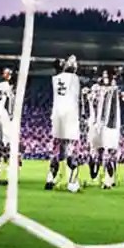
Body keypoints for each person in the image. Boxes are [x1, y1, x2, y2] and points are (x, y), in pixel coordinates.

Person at [84, 67, 122, 191]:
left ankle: (108, 180)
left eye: (108, 76)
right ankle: (95, 173)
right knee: (95, 152)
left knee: (108, 153)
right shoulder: (97, 89)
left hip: (110, 125)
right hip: (96, 124)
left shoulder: (114, 90)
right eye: (104, 75)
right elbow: (89, 100)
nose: (106, 78)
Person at [47, 55, 81, 190]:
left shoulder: (55, 79)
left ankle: (50, 177)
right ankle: (72, 182)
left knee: (56, 150)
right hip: (71, 116)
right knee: (72, 149)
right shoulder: (74, 79)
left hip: (57, 116)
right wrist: (72, 61)